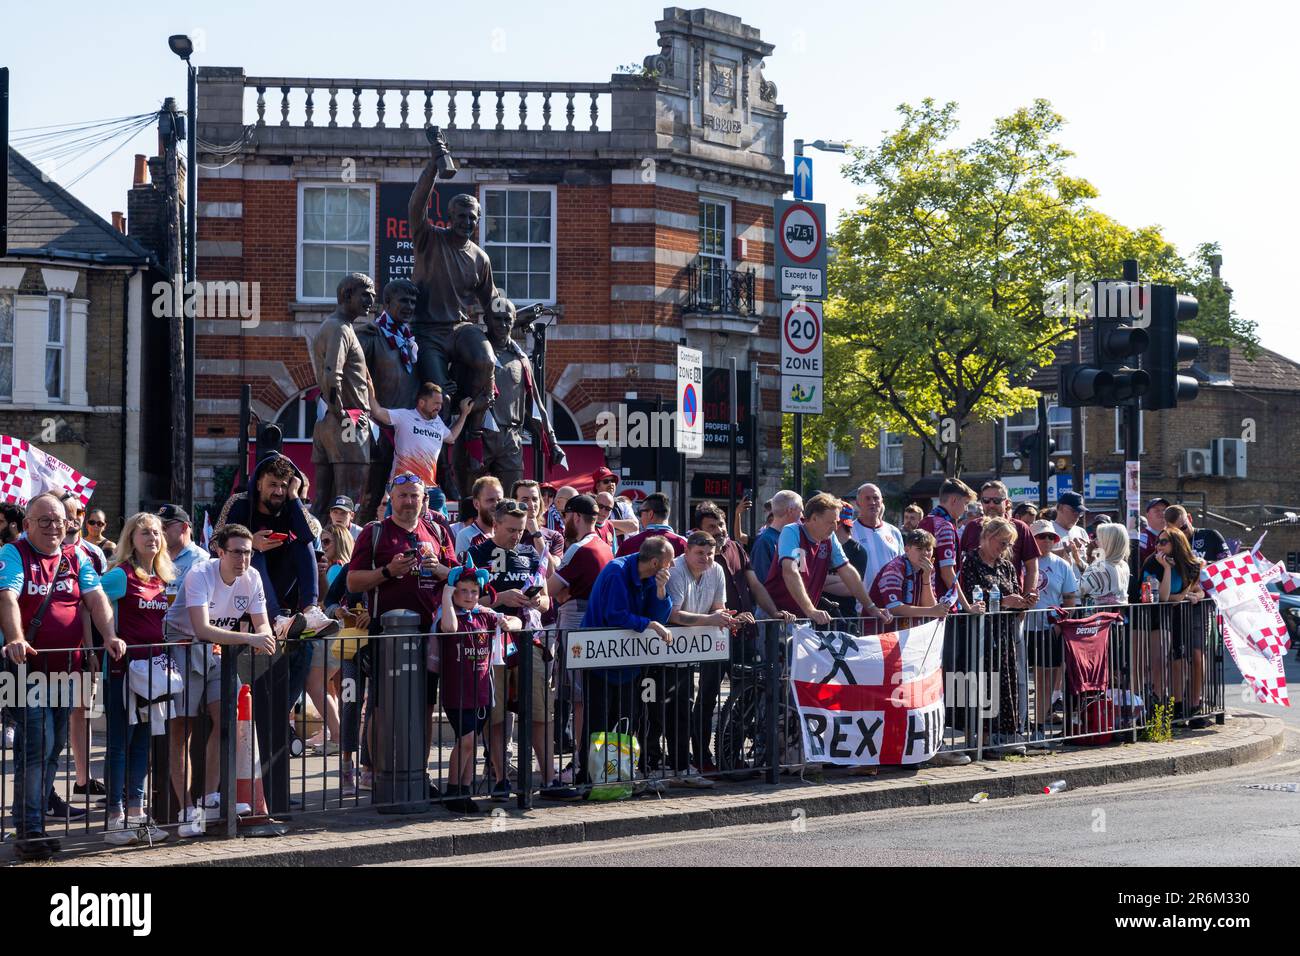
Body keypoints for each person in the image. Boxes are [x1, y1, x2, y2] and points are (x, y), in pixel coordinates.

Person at [1, 493, 124, 860]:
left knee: (53, 748)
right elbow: (7, 596)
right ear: (26, 525)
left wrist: (110, 634)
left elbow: (96, 597)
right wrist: (16, 638)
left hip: (66, 670)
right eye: (44, 521)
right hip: (28, 671)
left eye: (60, 521)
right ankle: (30, 829)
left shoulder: (76, 557)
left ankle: (31, 822)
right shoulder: (14, 554)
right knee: (37, 745)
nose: (54, 527)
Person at [215, 452, 339, 812]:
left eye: (285, 485)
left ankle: (310, 609)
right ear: (258, 483)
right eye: (273, 484)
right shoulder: (240, 503)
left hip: (293, 617)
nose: (279, 491)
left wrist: (298, 498)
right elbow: (216, 545)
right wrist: (251, 543)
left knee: (301, 543)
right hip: (248, 607)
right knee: (257, 556)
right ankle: (276, 616)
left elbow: (313, 536)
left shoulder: (292, 505)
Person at [346, 472, 458, 797]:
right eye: (403, 496)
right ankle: (383, 777)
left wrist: (441, 570)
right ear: (391, 499)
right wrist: (387, 572)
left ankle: (418, 774)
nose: (409, 501)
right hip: (386, 633)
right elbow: (353, 582)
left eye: (415, 496)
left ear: (424, 501)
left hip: (428, 631)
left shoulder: (437, 530)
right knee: (382, 707)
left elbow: (458, 576)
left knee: (424, 705)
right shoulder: (375, 532)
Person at [163, 523, 277, 827]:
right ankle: (186, 808)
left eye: (248, 553)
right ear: (220, 551)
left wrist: (264, 636)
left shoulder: (252, 577)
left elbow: (262, 623)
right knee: (182, 729)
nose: (243, 559)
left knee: (227, 718)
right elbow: (201, 628)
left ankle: (210, 797)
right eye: (237, 552)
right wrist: (249, 639)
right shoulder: (200, 573)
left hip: (218, 651)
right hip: (183, 647)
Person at [692, 502, 792, 772]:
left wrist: (773, 611)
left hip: (744, 631)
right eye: (712, 527)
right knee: (708, 697)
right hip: (713, 636)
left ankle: (732, 755)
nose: (719, 530)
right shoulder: (698, 554)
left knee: (746, 696)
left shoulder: (736, 548)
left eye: (721, 525)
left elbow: (755, 584)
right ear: (699, 530)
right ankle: (702, 758)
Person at [468, 498, 555, 798]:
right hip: (490, 642)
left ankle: (550, 779)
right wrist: (500, 599)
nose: (516, 536)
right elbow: (465, 600)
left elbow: (546, 600)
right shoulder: (477, 553)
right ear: (495, 525)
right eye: (510, 530)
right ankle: (500, 778)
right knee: (496, 714)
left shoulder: (531, 554)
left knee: (540, 711)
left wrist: (537, 600)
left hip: (528, 640)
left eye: (520, 530)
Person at [98, 512, 176, 845]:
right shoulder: (119, 575)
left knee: (143, 742)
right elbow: (92, 606)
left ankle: (137, 813)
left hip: (152, 674)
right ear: (131, 537)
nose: (152, 538)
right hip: (122, 671)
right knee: (119, 744)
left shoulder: (160, 578)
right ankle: (115, 818)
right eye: (145, 532)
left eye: (157, 533)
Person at [578, 536, 675, 785]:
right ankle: (588, 778)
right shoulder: (616, 572)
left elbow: (659, 614)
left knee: (626, 719)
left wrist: (662, 592)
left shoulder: (653, 578)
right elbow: (615, 615)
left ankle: (616, 775)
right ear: (656, 562)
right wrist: (649, 624)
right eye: (669, 562)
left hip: (629, 663)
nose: (672, 567)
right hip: (600, 660)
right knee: (597, 721)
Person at [659, 530, 743, 786]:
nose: (705, 558)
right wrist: (711, 619)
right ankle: (662, 766)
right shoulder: (676, 570)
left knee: (684, 706)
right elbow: (674, 615)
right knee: (662, 709)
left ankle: (683, 766)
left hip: (692, 647)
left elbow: (717, 606)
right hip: (665, 646)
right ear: (687, 552)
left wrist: (726, 616)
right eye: (699, 553)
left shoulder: (716, 569)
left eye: (709, 553)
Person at [436, 567, 521, 814]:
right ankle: (452, 790)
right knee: (466, 740)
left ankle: (464, 789)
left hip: (482, 690)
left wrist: (507, 621)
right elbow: (449, 628)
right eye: (463, 591)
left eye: (474, 591)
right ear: (453, 592)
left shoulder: (484, 615)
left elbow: (516, 622)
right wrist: (446, 594)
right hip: (457, 690)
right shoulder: (447, 613)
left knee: (470, 744)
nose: (469, 596)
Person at [547, 494, 612, 778]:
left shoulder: (579, 549)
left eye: (564, 518)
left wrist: (561, 592)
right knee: (587, 697)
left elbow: (550, 591)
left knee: (579, 699)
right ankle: (585, 760)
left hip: (577, 625)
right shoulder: (605, 546)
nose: (563, 524)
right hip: (595, 626)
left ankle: (580, 761)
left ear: (574, 516)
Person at [958, 516, 1034, 754]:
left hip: (1004, 634)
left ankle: (1004, 735)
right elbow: (970, 598)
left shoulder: (1006, 565)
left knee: (1005, 683)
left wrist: (1024, 602)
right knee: (982, 684)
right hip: (979, 634)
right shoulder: (970, 562)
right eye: (1002, 543)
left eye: (1009, 544)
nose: (1005, 549)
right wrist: (1002, 601)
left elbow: (1014, 594)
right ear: (988, 538)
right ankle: (982, 737)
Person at [764, 493, 891, 628]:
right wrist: (811, 610)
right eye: (830, 522)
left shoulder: (829, 538)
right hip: (777, 616)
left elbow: (847, 571)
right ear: (813, 518)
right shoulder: (792, 531)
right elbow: (790, 572)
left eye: (836, 522)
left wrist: (871, 607)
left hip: (802, 617)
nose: (835, 527)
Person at [60, 492, 109, 812]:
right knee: (47, 718)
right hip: (46, 648)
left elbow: (92, 605)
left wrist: (93, 648)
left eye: (81, 511)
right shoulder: (34, 548)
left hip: (82, 646)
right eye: (71, 512)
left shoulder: (92, 553)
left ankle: (82, 778)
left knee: (83, 711)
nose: (77, 517)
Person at [310, 273, 375, 516]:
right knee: (348, 501)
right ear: (347, 295)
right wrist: (343, 413)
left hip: (329, 421)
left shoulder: (335, 326)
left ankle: (314, 551)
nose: (370, 301)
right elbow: (331, 375)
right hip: (348, 419)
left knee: (323, 502)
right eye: (365, 295)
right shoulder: (339, 328)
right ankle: (342, 553)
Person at [357, 278, 421, 524]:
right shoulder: (371, 335)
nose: (409, 306)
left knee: (411, 495)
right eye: (403, 301)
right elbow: (353, 376)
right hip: (378, 430)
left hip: (408, 431)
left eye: (413, 302)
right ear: (386, 302)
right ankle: (359, 546)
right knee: (371, 497)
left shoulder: (411, 341)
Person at [1140, 524, 1207, 722]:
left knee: (1179, 658)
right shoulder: (1153, 562)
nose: (1158, 546)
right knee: (1159, 661)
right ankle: (1158, 705)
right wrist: (1167, 569)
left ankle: (1179, 705)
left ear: (1176, 543)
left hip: (1179, 616)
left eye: (1163, 542)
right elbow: (1164, 596)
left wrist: (1191, 595)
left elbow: (1198, 591)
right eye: (1157, 541)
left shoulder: (1191, 564)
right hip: (1157, 615)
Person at [1024, 520, 1080, 739]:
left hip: (1050, 628)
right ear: (1031, 539)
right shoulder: (1021, 561)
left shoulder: (1061, 565)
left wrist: (1061, 624)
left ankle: (1038, 723)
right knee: (1023, 679)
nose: (1047, 540)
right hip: (1023, 627)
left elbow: (1070, 599)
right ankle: (1022, 722)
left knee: (1046, 678)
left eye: (1051, 537)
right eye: (1041, 536)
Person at [368, 380, 473, 490]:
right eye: (436, 403)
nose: (439, 407)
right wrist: (370, 391)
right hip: (402, 486)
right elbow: (377, 412)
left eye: (441, 403)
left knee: (440, 500)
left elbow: (451, 437)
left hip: (428, 488)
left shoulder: (438, 422)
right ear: (422, 403)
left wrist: (464, 414)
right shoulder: (404, 416)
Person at [961, 480, 1040, 593]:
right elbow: (960, 565)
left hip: (1012, 603)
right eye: (986, 500)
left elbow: (1032, 568)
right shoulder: (972, 527)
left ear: (1007, 502)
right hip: (976, 602)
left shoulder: (1020, 528)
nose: (991, 505)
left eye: (997, 501)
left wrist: (1025, 601)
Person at [869, 529, 950, 624]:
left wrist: (926, 578)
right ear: (906, 549)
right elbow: (894, 608)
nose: (925, 553)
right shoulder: (894, 568)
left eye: (928, 549)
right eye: (919, 549)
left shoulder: (929, 570)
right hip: (879, 631)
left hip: (907, 632)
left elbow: (929, 605)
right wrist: (931, 611)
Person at [848, 483, 905, 602]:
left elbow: (902, 566)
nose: (872, 502)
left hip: (891, 605)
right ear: (858, 503)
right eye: (867, 498)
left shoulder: (894, 532)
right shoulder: (849, 531)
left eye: (876, 498)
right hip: (861, 606)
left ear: (882, 501)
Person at [824, 503, 871, 622]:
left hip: (845, 618)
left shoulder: (858, 551)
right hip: (820, 616)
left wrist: (818, 583)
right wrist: (842, 579)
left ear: (838, 523)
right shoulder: (820, 545)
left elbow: (851, 588)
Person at [750, 489, 802, 589]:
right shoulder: (764, 541)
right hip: (775, 603)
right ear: (790, 511)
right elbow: (762, 584)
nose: (802, 516)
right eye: (801, 510)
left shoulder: (794, 538)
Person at [512, 479, 563, 570]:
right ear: (514, 502)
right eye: (525, 500)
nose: (531, 504)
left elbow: (551, 571)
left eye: (535, 499)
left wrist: (536, 534)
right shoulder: (504, 532)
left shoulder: (555, 537)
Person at [616, 492, 686, 557]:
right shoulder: (684, 544)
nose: (639, 518)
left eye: (640, 513)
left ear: (650, 514)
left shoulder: (628, 544)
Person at [454, 475, 502, 558]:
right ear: (476, 504)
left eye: (499, 500)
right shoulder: (466, 536)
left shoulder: (504, 533)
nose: (496, 505)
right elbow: (464, 570)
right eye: (490, 500)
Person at [1163, 505, 1229, 563]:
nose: (1181, 533)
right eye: (1176, 531)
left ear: (1189, 518)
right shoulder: (1169, 543)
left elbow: (1226, 562)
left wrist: (1205, 563)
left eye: (1184, 527)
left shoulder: (1211, 535)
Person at [1051, 492, 1091, 577]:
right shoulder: (1047, 530)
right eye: (1074, 511)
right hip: (1058, 587)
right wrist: (1068, 549)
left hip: (1081, 587)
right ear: (1060, 508)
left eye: (1080, 512)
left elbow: (1087, 563)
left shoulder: (1081, 532)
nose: (1077, 516)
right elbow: (1038, 556)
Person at [591, 467, 639, 535]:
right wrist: (623, 530)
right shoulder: (590, 504)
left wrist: (606, 524)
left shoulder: (622, 505)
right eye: (606, 481)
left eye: (613, 481)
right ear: (597, 486)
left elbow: (634, 527)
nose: (611, 484)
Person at [1137, 498, 1170, 565]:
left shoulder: (1173, 535)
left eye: (1164, 510)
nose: (1162, 513)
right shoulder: (1143, 538)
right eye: (1157, 510)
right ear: (1148, 514)